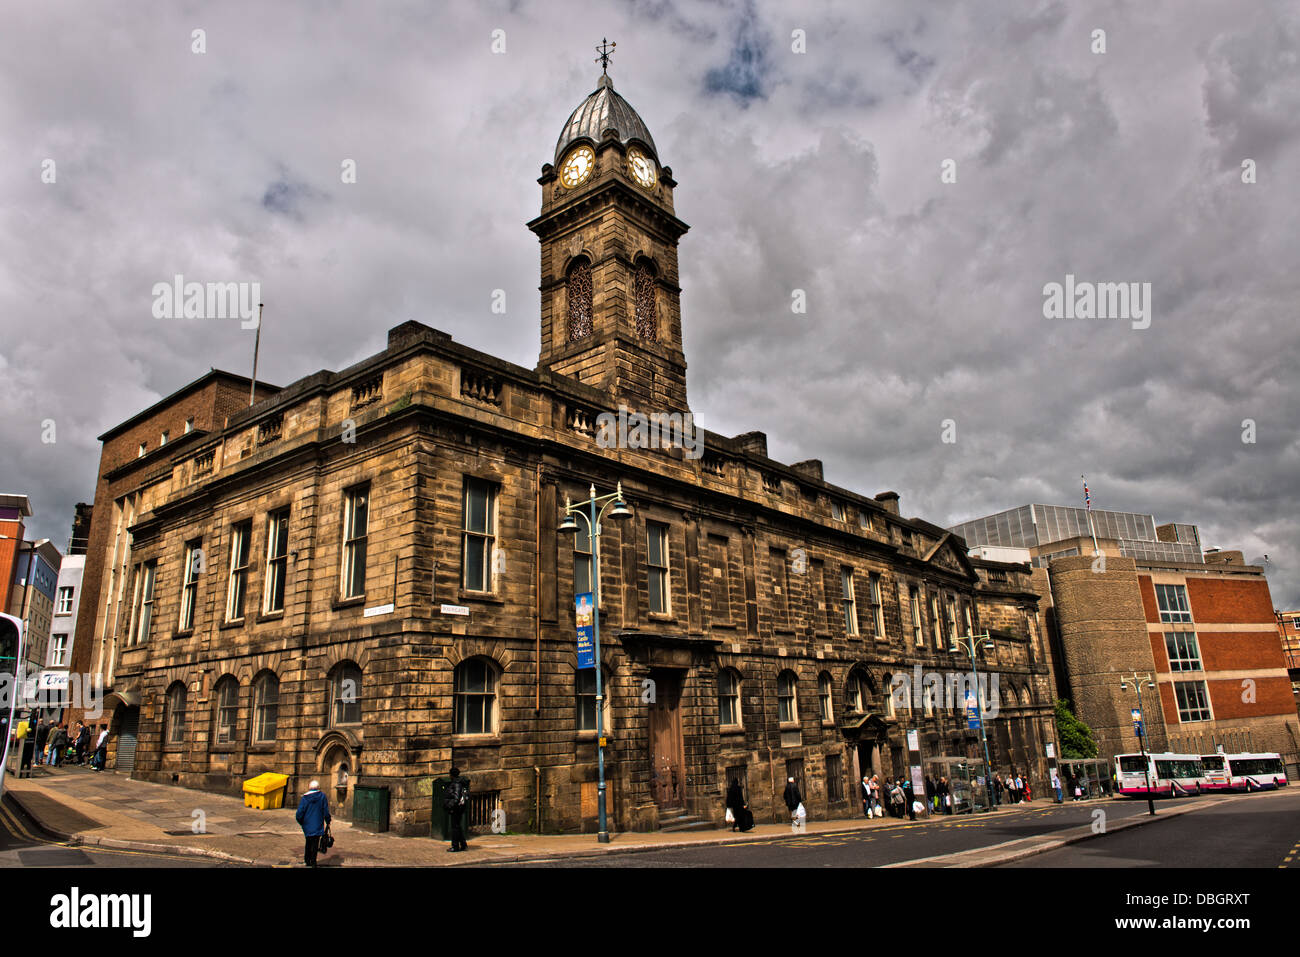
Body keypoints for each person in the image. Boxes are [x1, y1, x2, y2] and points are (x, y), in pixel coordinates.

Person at [295, 779, 331, 867]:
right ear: (318, 787)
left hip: (307, 824)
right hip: (318, 824)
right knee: (315, 843)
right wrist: (328, 820)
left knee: (308, 842)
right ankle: (314, 861)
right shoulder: (322, 796)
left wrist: (302, 823)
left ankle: (307, 860)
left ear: (309, 787)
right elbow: (325, 811)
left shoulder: (305, 798)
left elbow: (299, 814)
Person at [445, 766, 470, 851]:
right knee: (457, 826)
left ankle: (455, 846)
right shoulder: (458, 782)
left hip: (456, 808)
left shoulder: (456, 783)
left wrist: (450, 805)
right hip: (459, 807)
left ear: (452, 775)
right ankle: (463, 844)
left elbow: (456, 798)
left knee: (455, 827)